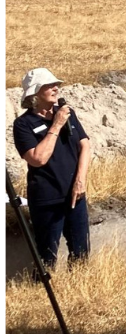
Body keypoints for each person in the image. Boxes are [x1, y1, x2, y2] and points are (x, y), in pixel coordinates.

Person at [13, 68, 91, 269]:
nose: (56, 88)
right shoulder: (23, 124)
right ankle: (42, 285)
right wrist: (56, 126)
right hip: (46, 199)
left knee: (81, 254)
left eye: (56, 84)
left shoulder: (67, 113)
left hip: (75, 195)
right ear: (34, 93)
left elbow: (85, 145)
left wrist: (80, 181)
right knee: (47, 258)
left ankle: (80, 286)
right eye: (49, 85)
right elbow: (38, 159)